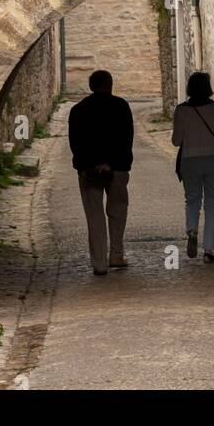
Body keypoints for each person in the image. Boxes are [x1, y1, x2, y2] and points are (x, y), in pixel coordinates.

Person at [68, 69, 134, 276]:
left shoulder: (78, 110)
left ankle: (99, 263)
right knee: (117, 211)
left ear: (91, 86)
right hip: (118, 169)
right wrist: (111, 164)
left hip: (88, 171)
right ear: (110, 84)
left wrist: (92, 164)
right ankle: (116, 254)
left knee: (94, 216)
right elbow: (126, 139)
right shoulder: (121, 106)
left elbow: (76, 143)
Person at [172, 71, 214, 263]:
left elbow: (175, 141)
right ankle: (209, 248)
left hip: (190, 159)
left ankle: (192, 230)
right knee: (212, 203)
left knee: (192, 200)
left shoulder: (181, 110)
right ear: (208, 88)